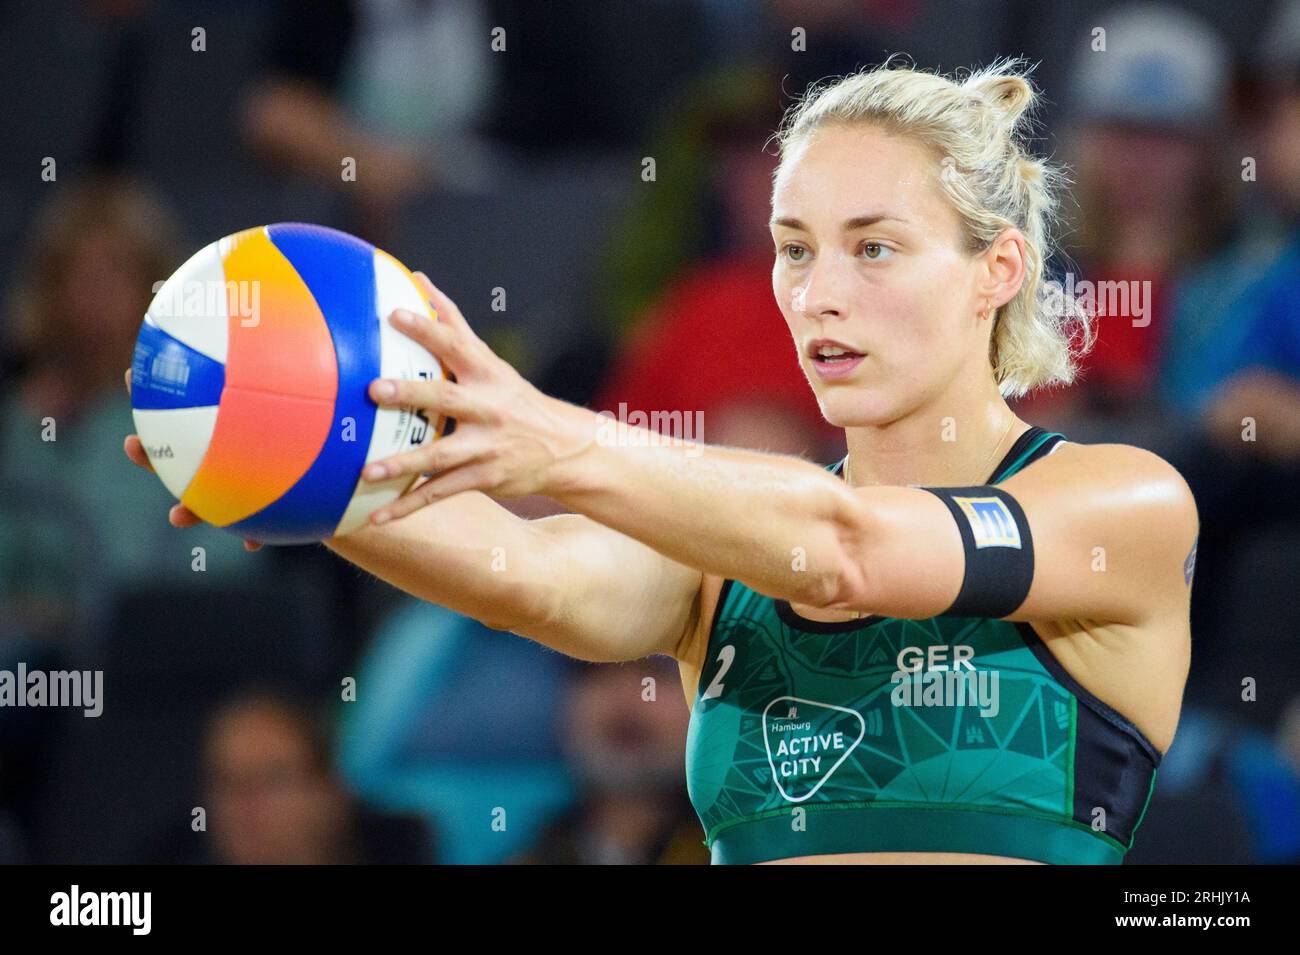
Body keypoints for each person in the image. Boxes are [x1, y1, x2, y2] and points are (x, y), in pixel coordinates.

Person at [125, 60, 1198, 864]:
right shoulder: (719, 557)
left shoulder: (1121, 504)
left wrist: (559, 433)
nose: (817, 292)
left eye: (872, 246)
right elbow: (530, 575)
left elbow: (847, 552)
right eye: (793, 247)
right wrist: (299, 465)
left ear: (994, 270)